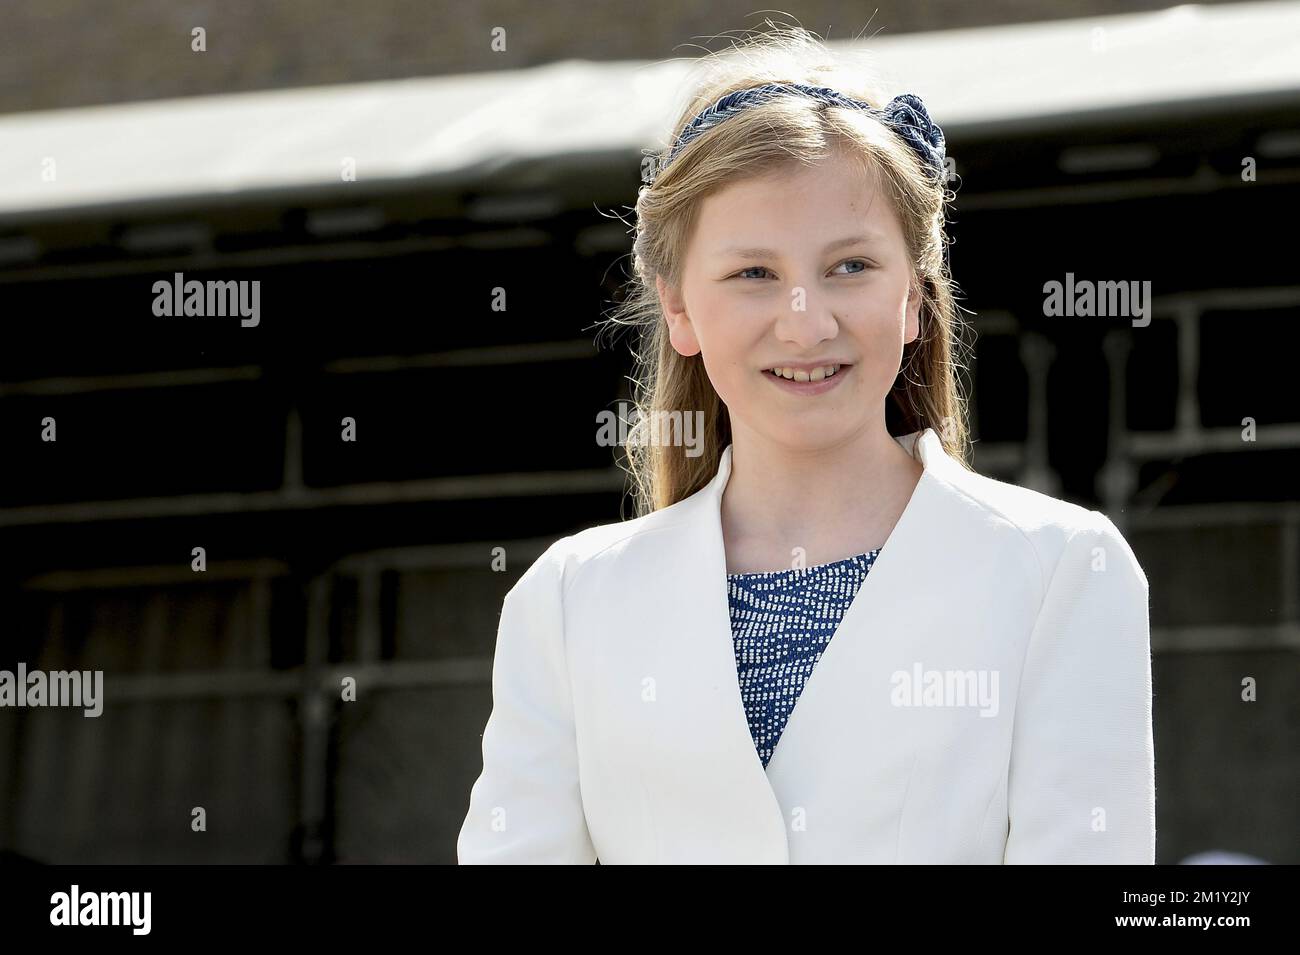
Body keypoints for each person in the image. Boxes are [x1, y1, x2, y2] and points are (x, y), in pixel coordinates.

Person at [457, 25, 1155, 864]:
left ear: (913, 296)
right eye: (753, 273)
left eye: (851, 266)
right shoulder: (567, 602)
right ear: (677, 307)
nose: (806, 322)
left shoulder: (1062, 571)